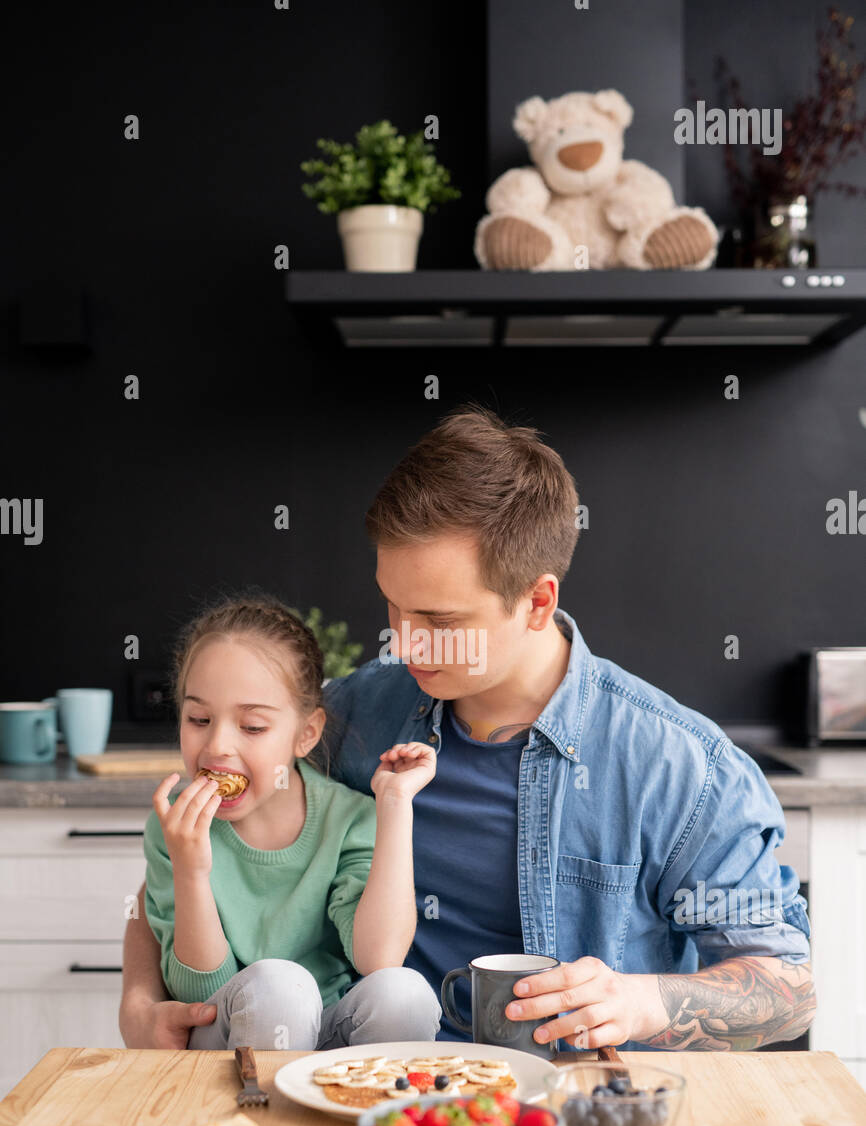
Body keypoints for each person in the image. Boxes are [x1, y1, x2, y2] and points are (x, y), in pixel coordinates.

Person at [121, 406, 815, 1054]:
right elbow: (196, 855)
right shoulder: (351, 718)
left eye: (440, 621)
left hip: (563, 1114)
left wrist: (641, 1001)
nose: (407, 644)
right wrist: (138, 997)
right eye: (393, 607)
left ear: (537, 600)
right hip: (372, 1094)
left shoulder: (677, 766)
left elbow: (789, 986)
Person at [140, 594, 441, 1050]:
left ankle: (369, 1115)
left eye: (253, 727)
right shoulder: (173, 827)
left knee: (406, 992)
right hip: (227, 1043)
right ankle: (264, 1119)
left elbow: (378, 958)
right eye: (198, 718)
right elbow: (197, 994)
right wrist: (191, 870)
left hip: (327, 1040)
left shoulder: (348, 819)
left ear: (306, 734)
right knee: (279, 987)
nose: (218, 745)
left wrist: (395, 804)